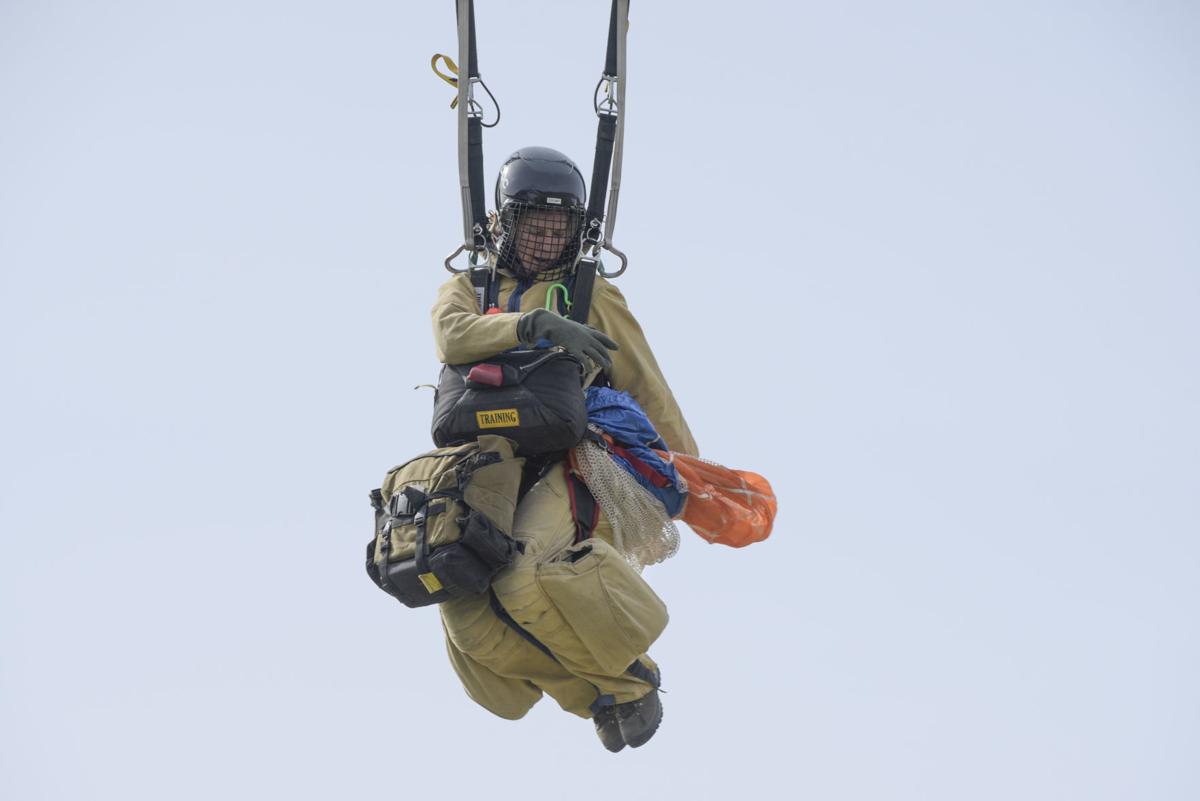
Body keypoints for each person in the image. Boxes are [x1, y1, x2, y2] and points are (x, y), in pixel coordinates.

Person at [431, 146, 698, 751]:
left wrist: (687, 472)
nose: (548, 241)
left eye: (560, 230)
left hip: (565, 458)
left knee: (527, 576)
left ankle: (631, 681)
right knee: (463, 603)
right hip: (482, 465)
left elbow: (645, 381)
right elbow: (452, 336)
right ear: (504, 224)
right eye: (535, 226)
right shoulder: (469, 289)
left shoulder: (589, 295)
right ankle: (593, 697)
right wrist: (529, 326)